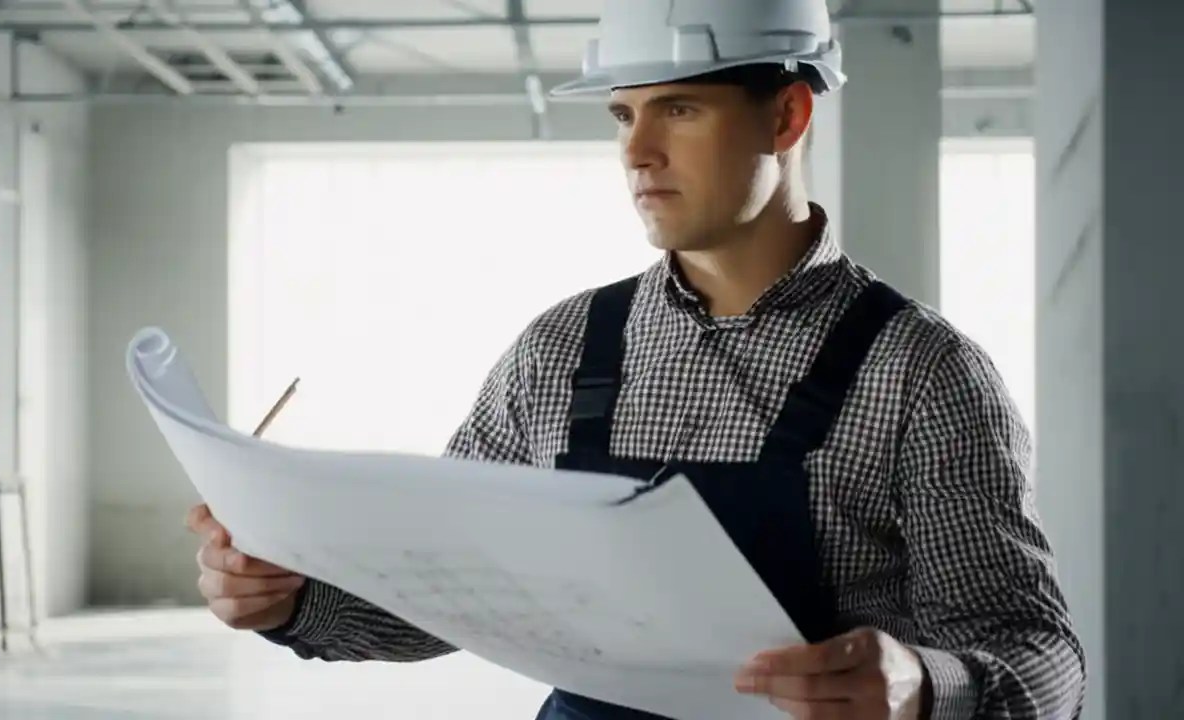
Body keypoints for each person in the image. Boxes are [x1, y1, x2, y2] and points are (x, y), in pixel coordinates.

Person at [185, 0, 1086, 717]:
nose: (636, 151)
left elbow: (1042, 661)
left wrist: (924, 688)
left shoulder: (923, 373)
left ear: (787, 114)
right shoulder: (559, 354)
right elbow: (452, 600)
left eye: (679, 109)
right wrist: (291, 599)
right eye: (624, 113)